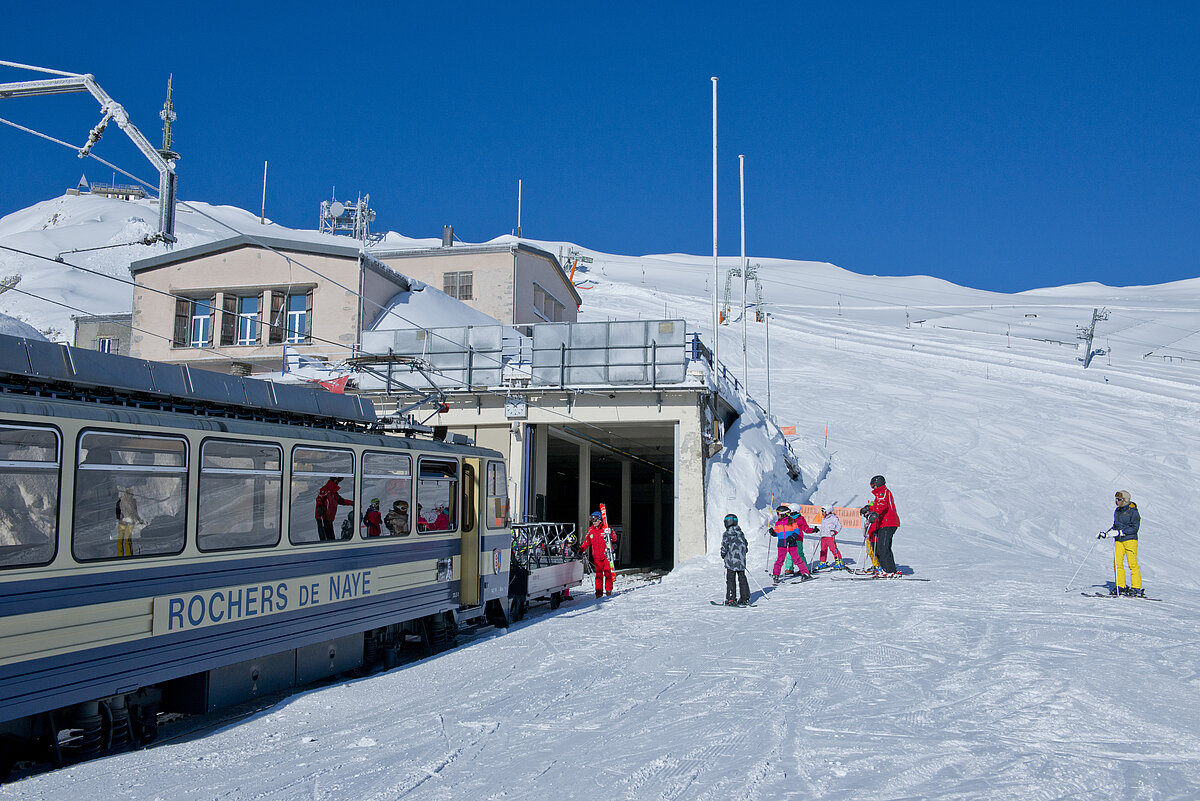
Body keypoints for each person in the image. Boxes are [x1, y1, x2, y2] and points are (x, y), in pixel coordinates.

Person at [1099, 490, 1143, 597]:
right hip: (1119, 540)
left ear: (1125, 500)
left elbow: (1135, 528)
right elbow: (1115, 526)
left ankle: (1136, 587)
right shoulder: (1117, 511)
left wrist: (1120, 532)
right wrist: (1107, 534)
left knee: (1132, 564)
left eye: (1119, 499)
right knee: (1117, 563)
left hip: (1130, 540)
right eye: (1116, 499)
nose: (1116, 501)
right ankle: (1120, 586)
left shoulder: (1133, 511)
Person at [861, 475, 900, 577]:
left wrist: (875, 513)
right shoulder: (880, 494)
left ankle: (890, 570)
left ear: (878, 484)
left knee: (883, 547)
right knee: (880, 548)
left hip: (888, 522)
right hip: (884, 523)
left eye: (873, 485)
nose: (873, 488)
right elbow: (877, 505)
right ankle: (887, 569)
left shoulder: (883, 492)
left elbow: (882, 505)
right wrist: (868, 508)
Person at [770, 504, 813, 584]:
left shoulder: (792, 521)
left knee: (796, 559)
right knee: (780, 560)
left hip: (791, 543)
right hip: (782, 543)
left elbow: (796, 531)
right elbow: (777, 533)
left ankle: (805, 573)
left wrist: (793, 537)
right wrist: (773, 533)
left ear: (783, 514)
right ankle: (776, 574)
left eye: (778, 514)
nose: (777, 515)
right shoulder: (778, 523)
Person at [581, 510, 615, 597]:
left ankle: (608, 591)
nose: (593, 522)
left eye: (595, 520)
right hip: (596, 556)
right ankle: (598, 593)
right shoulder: (591, 530)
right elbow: (586, 542)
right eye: (592, 520)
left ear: (600, 520)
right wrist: (580, 551)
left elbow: (614, 538)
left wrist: (610, 533)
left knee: (607, 573)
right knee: (598, 575)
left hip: (606, 555)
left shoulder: (607, 528)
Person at [720, 513, 751, 605]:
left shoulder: (727, 534)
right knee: (742, 578)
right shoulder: (740, 533)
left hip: (731, 561)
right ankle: (745, 598)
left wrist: (723, 554)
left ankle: (731, 598)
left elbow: (724, 546)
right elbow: (745, 545)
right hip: (741, 561)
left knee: (730, 579)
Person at [315, 476, 353, 541]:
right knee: (325, 537)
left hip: (329, 518)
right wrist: (319, 507)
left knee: (330, 537)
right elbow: (319, 498)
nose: (338, 483)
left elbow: (341, 501)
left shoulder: (334, 493)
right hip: (323, 517)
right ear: (335, 480)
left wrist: (352, 503)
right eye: (338, 481)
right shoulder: (326, 489)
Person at [115, 488, 144, 557]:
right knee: (122, 540)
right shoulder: (123, 501)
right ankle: (123, 555)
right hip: (125, 522)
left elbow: (135, 512)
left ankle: (126, 555)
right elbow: (118, 512)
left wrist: (139, 520)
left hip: (127, 522)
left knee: (125, 539)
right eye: (130, 494)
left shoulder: (131, 501)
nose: (131, 495)